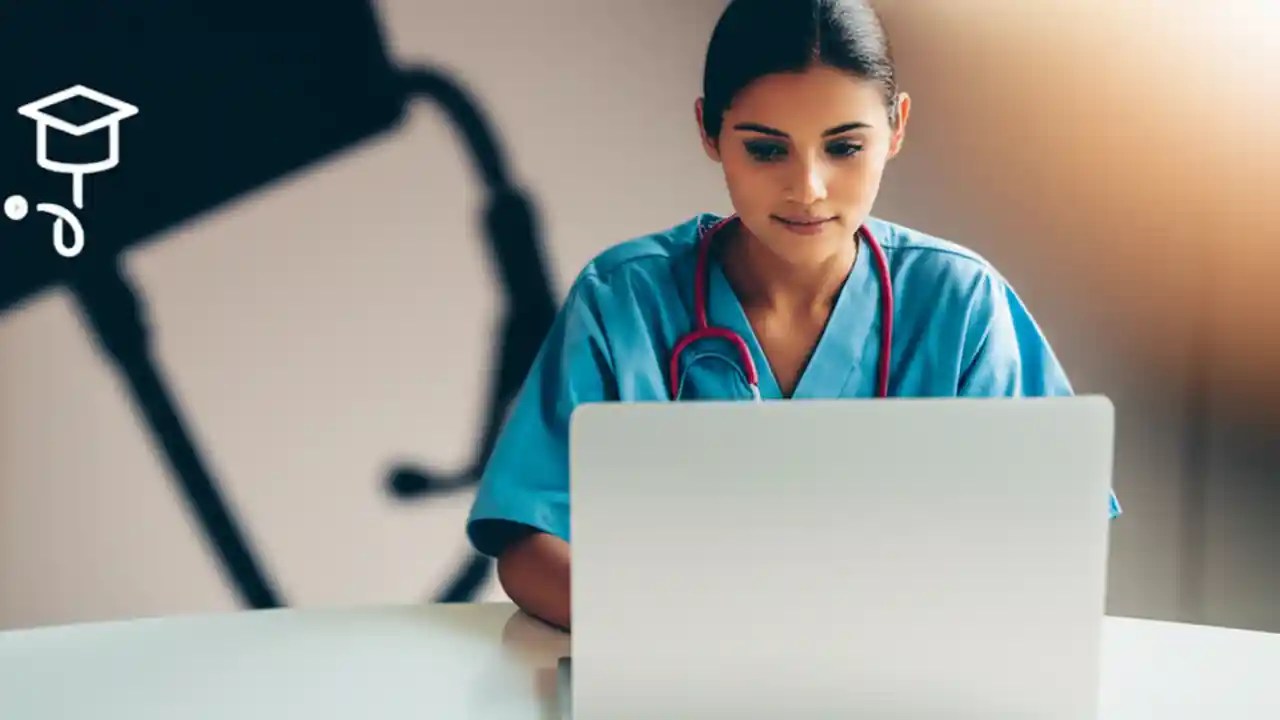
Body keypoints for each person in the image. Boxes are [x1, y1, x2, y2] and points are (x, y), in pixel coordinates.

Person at [465, 0, 1121, 631]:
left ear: (897, 127)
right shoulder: (622, 300)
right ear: (708, 130)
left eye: (844, 147)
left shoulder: (962, 305)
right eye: (767, 149)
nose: (808, 188)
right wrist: (686, 631)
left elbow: (1055, 534)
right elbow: (527, 542)